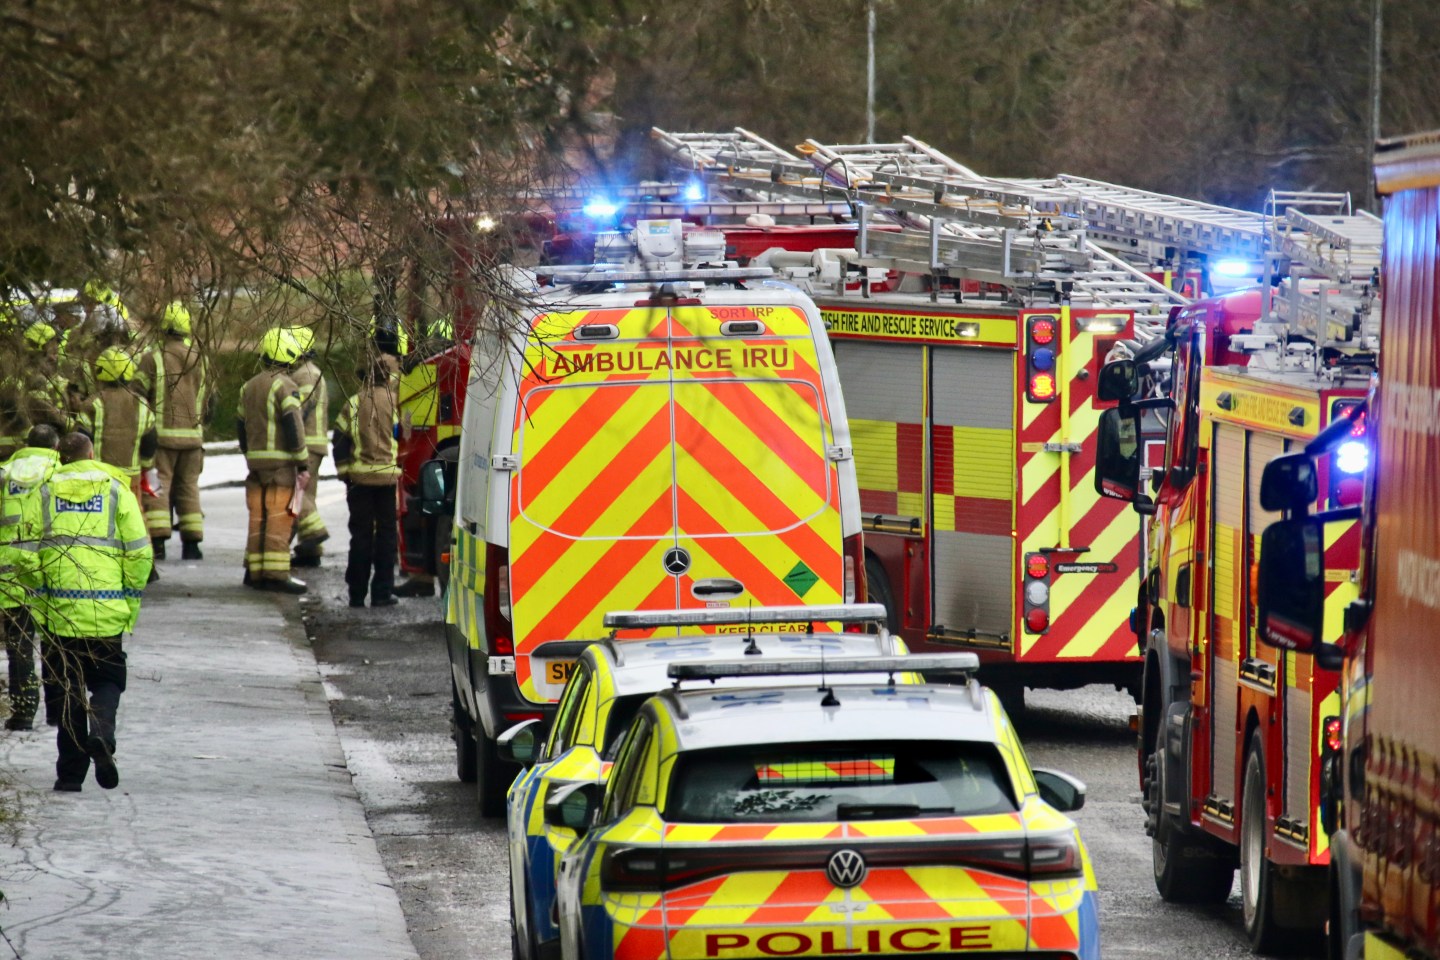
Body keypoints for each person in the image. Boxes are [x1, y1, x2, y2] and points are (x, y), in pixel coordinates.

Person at [39, 432, 152, 792]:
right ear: (92, 453)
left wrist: (40, 601)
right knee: (106, 680)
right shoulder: (116, 489)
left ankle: (70, 777)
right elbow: (139, 553)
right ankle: (102, 732)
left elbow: (27, 553)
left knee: (68, 691)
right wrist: (129, 599)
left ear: (61, 456)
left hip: (60, 613)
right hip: (106, 610)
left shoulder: (43, 491)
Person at [136, 301, 210, 560]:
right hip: (193, 438)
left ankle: (158, 543)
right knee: (189, 487)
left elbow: (137, 395)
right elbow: (212, 399)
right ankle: (192, 545)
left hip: (162, 438)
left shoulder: (152, 358)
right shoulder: (200, 359)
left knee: (158, 486)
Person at [237, 329, 309, 593]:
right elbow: (293, 425)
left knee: (258, 519)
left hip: (255, 465)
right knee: (278, 520)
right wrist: (302, 461)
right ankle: (276, 575)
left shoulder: (248, 386)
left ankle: (254, 573)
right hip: (280, 466)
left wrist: (249, 454)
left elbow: (240, 426)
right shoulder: (286, 385)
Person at [0, 424, 61, 730]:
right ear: (55, 447)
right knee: (54, 644)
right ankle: (55, 710)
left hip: (9, 574)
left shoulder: (5, 473)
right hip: (47, 571)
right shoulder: (59, 474)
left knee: (19, 646)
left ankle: (23, 712)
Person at [333, 359, 402, 608]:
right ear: (388, 377)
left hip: (359, 479)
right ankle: (382, 593)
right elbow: (403, 436)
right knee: (386, 536)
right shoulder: (396, 402)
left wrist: (344, 473)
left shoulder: (353, 402)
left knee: (360, 536)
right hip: (386, 479)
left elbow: (339, 440)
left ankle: (356, 593)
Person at [73, 347, 157, 505]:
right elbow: (150, 441)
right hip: (131, 478)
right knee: (131, 519)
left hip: (98, 476)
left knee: (102, 521)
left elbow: (81, 438)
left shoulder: (93, 404)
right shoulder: (141, 404)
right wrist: (145, 466)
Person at [286, 326, 330, 567]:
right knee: (307, 493)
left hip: (308, 443)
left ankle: (315, 533)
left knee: (299, 493)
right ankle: (311, 551)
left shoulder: (306, 375)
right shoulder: (310, 372)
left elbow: (299, 411)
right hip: (316, 442)